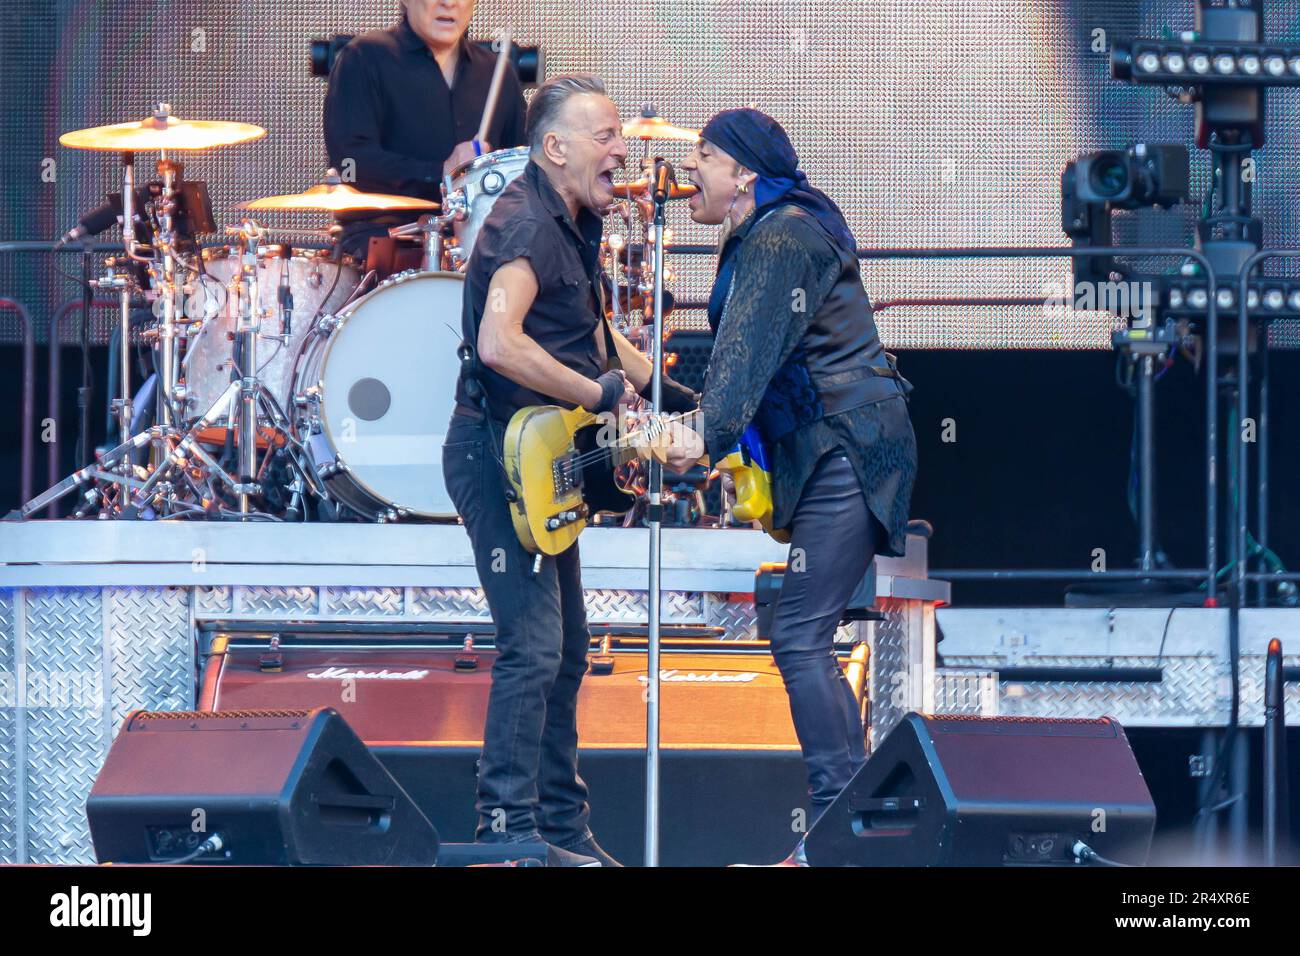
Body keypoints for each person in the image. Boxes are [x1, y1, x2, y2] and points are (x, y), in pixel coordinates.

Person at [442, 73, 697, 867]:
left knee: (570, 642)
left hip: (543, 455)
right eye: (607, 136)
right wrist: (607, 395)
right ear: (555, 147)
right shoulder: (524, 225)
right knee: (534, 643)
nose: (622, 151)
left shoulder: (572, 218)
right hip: (495, 455)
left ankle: (559, 830)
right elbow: (500, 343)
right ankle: (506, 830)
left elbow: (587, 328)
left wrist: (674, 391)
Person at [667, 108, 917, 860]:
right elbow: (743, 370)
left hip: (848, 445)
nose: (690, 175)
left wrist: (698, 440)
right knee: (807, 635)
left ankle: (839, 835)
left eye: (704, 157)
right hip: (843, 444)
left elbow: (740, 372)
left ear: (744, 174)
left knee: (800, 635)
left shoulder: (779, 236)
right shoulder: (770, 231)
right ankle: (855, 827)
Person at [322, 0, 527, 261]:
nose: (449, 3)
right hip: (385, 241)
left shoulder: (497, 73)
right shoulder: (363, 58)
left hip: (478, 246)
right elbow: (350, 162)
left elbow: (522, 168)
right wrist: (441, 172)